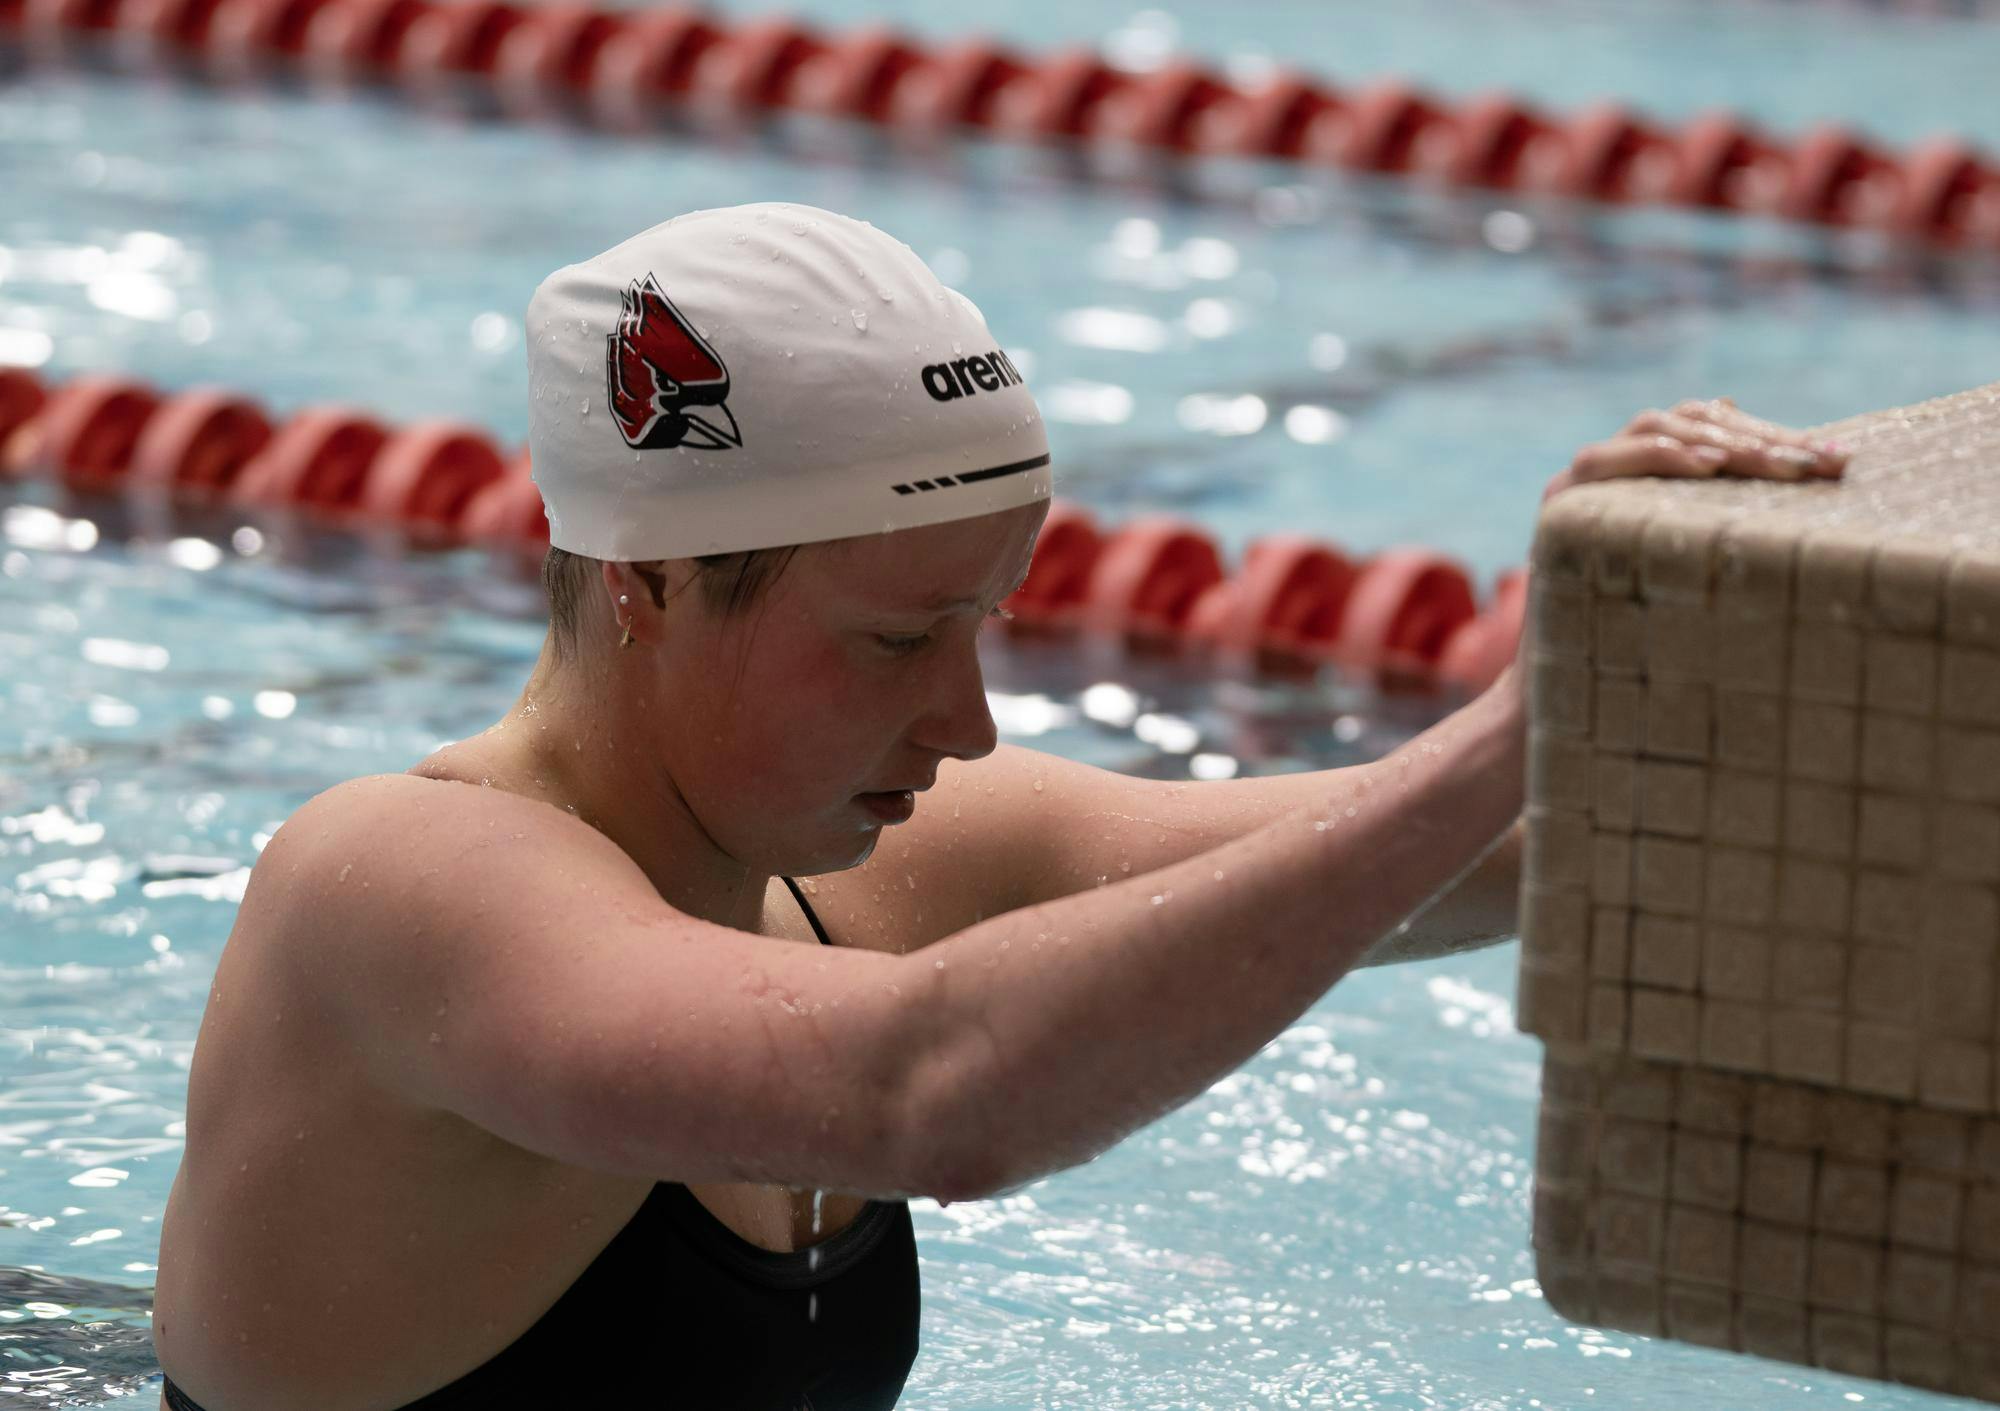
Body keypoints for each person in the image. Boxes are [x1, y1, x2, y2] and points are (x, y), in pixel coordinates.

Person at [150, 202, 1850, 1411]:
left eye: (986, 624)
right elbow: (922, 1092)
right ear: (650, 583)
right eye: (896, 636)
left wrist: (1695, 653)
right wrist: (1500, 731)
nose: (965, 721)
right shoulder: (393, 887)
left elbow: (1477, 862)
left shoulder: (882, 869)